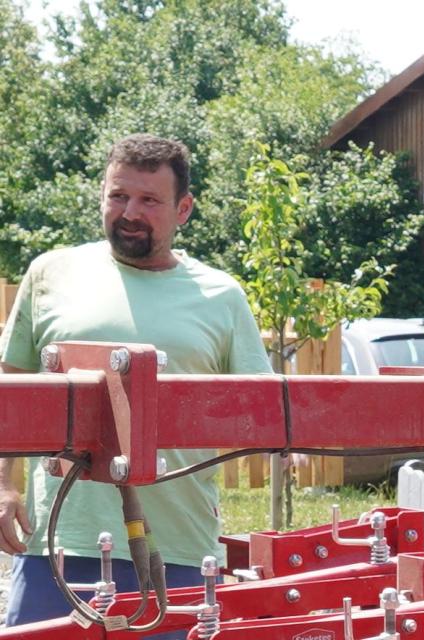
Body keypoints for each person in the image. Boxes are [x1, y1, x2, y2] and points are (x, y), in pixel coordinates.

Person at [0, 134, 272, 631]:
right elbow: (10, 391)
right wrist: (2, 486)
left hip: (176, 547)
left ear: (183, 209)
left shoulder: (221, 297)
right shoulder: (50, 274)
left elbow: (260, 410)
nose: (130, 212)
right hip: (58, 543)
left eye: (149, 200)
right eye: (118, 195)